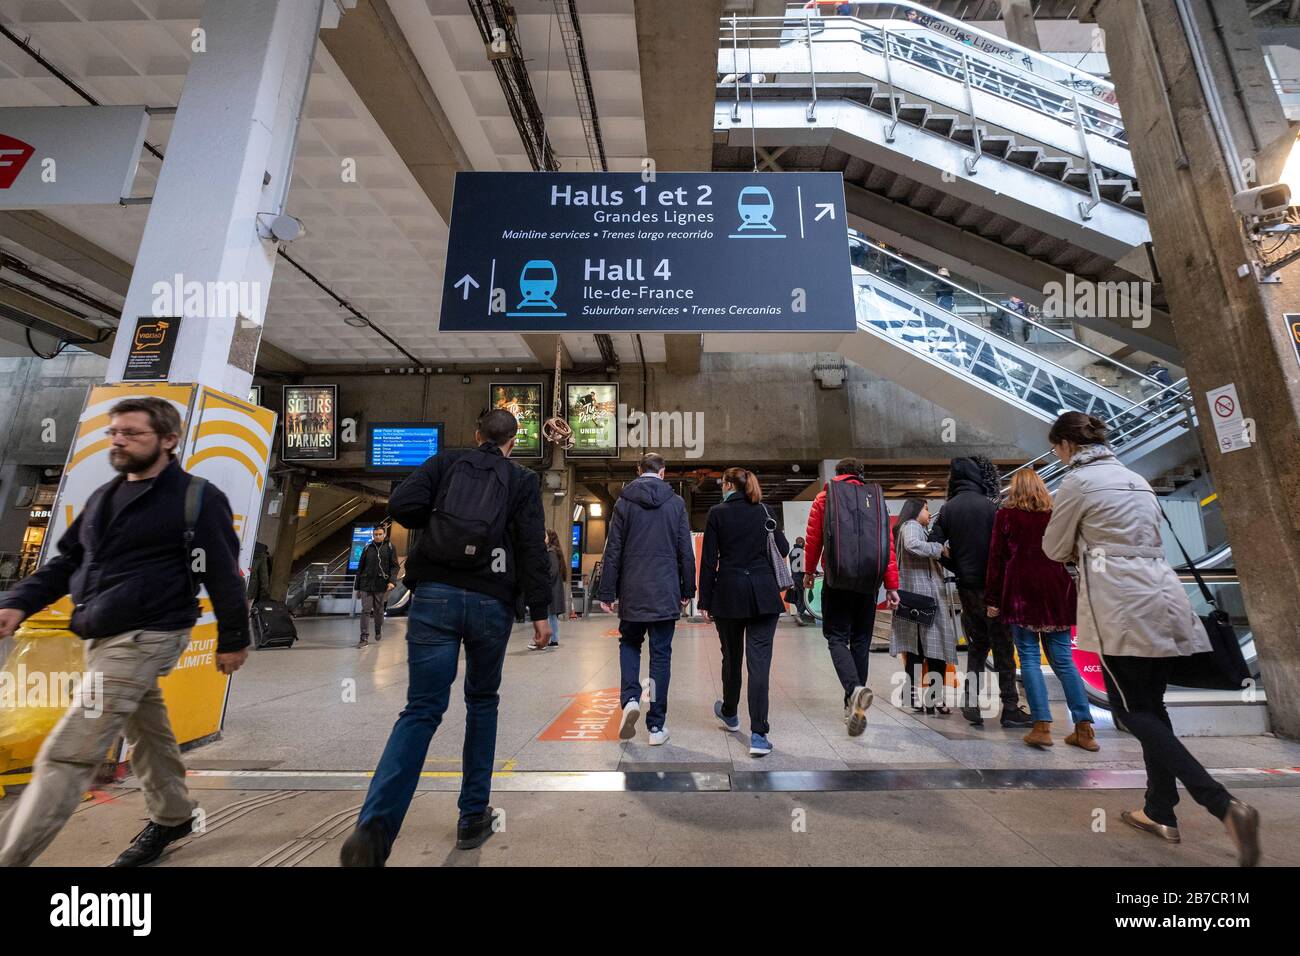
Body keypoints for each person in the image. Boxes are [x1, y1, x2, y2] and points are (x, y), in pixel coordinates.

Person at [0, 397, 250, 867]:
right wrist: (16, 602)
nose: (118, 440)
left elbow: (222, 572)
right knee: (147, 731)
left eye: (132, 433)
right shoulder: (106, 496)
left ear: (168, 440)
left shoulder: (197, 498)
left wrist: (233, 638)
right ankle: (174, 813)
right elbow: (69, 561)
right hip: (102, 637)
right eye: (114, 432)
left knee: (70, 751)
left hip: (147, 636)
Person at [1042, 412, 1261, 866]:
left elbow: (1054, 547)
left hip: (1119, 606)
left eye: (1056, 449)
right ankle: (1160, 810)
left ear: (1066, 445)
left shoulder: (1078, 484)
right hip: (1162, 597)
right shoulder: (1135, 478)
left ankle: (1221, 803)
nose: (1057, 457)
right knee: (1153, 708)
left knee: (1130, 711)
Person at [340, 408, 551, 864]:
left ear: (477, 434)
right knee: (482, 701)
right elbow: (533, 546)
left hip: (434, 596)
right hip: (491, 602)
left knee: (420, 709)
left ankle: (376, 826)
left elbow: (403, 507)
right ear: (514, 439)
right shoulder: (521, 479)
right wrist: (540, 612)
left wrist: (442, 516)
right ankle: (473, 816)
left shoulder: (444, 462)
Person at [986, 469, 1097, 751]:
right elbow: (1072, 551)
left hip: (1021, 592)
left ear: (1014, 490)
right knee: (1063, 660)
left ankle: (1042, 726)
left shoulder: (1006, 516)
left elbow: (997, 560)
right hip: (1056, 590)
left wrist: (992, 599)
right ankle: (1084, 727)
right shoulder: (1054, 514)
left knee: (1030, 658)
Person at [597, 453, 695, 747]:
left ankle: (629, 699)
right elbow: (684, 551)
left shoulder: (624, 502)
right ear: (663, 473)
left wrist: (607, 592)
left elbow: (613, 549)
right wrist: (687, 589)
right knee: (661, 655)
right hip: (665, 590)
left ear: (639, 471)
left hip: (632, 590)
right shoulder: (676, 503)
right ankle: (656, 727)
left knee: (629, 644)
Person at [929, 456, 1033, 728]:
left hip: (967, 587)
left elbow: (934, 545)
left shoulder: (948, 509)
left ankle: (971, 701)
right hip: (995, 588)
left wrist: (955, 564)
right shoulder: (992, 507)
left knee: (977, 645)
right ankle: (1009, 707)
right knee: (1003, 647)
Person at [804, 457, 900, 737]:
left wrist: (808, 572)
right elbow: (887, 545)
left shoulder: (825, 497)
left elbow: (814, 539)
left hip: (838, 577)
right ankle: (853, 706)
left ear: (838, 474)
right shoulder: (876, 498)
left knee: (836, 637)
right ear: (860, 474)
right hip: (869, 582)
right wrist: (891, 586)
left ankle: (854, 690)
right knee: (861, 640)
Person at [698, 467, 789, 757]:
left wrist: (705, 601)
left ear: (727, 485)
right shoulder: (765, 510)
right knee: (759, 663)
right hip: (764, 593)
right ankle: (759, 735)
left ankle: (730, 712)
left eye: (722, 484)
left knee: (732, 657)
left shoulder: (717, 513)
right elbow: (784, 547)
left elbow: (709, 560)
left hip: (729, 593)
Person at [890, 497, 957, 714]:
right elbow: (912, 545)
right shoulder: (912, 526)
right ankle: (934, 698)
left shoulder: (910, 527)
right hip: (924, 598)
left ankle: (914, 695)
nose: (929, 513)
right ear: (915, 510)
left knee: (917, 649)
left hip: (916, 597)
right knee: (934, 649)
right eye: (926, 509)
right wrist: (939, 549)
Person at [354, 524, 397, 646]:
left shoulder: (390, 547)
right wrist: (357, 588)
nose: (377, 536)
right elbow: (360, 568)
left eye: (379, 534)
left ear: (384, 535)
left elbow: (395, 566)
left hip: (381, 585)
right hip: (366, 585)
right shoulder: (367, 547)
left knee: (378, 611)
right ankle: (364, 638)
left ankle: (378, 629)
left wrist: (392, 581)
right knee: (365, 610)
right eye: (375, 534)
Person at [533, 528, 565, 649]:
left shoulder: (551, 552)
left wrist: (543, 582)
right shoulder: (553, 551)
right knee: (551, 615)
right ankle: (551, 639)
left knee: (550, 615)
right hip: (554, 588)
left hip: (552, 589)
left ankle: (553, 640)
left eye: (545, 535)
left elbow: (553, 571)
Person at [787, 535, 815, 625]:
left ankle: (799, 616)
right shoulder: (801, 552)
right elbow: (804, 566)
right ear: (801, 543)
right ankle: (799, 614)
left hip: (794, 577)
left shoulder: (791, 552)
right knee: (805, 598)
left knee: (799, 597)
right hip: (801, 578)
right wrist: (816, 572)